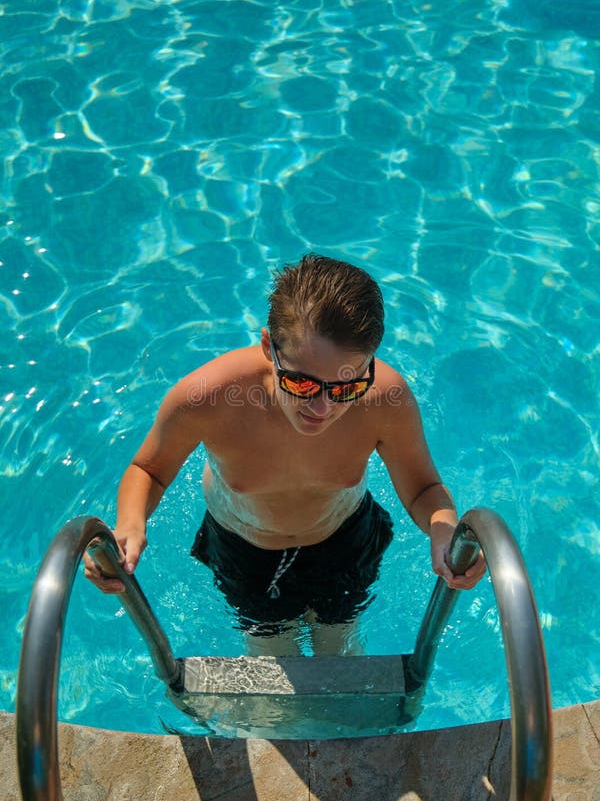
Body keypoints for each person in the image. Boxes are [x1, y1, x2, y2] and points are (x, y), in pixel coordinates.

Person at [84, 254, 486, 655]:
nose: (322, 408)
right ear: (268, 347)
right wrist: (130, 525)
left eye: (346, 388)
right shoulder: (209, 398)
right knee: (274, 670)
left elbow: (422, 487)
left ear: (368, 366)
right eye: (302, 384)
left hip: (344, 537)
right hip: (245, 549)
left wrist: (444, 530)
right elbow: (149, 469)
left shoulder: (385, 399)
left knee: (341, 654)